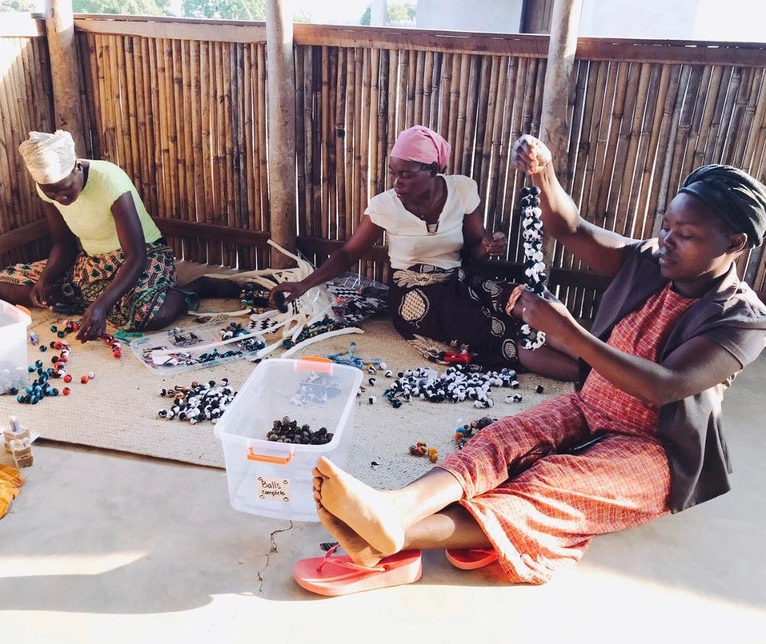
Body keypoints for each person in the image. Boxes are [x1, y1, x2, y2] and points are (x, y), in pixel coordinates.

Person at [291, 134, 766, 595]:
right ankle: (394, 506)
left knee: (551, 483)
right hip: (591, 405)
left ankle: (395, 535)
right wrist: (545, 176)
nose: (666, 240)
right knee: (500, 440)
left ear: (735, 242)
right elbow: (571, 229)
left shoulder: (742, 321)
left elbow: (664, 386)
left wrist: (567, 330)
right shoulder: (647, 260)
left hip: (654, 449)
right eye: (666, 226)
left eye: (685, 235)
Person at [270, 125, 579, 380]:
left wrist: (487, 245)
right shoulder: (385, 206)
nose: (397, 182)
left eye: (407, 174)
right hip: (416, 295)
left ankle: (597, 360)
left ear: (432, 170)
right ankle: (591, 379)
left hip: (461, 280)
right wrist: (303, 285)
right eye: (394, 172)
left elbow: (475, 250)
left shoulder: (461, 190)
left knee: (530, 303)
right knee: (495, 334)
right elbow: (347, 255)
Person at [0, 130, 236, 343]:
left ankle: (199, 287)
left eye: (66, 189)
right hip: (92, 262)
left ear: (77, 166)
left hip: (144, 255)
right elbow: (64, 245)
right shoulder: (47, 187)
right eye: (51, 193)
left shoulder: (109, 180)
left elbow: (137, 256)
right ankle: (87, 299)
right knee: (6, 285)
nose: (60, 199)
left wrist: (102, 305)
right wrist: (45, 279)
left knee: (150, 314)